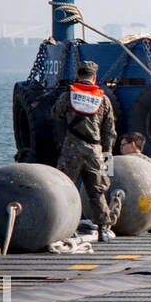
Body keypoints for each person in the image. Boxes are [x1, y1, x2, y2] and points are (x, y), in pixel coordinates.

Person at [51, 61, 117, 242]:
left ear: (78, 75)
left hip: (72, 148)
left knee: (67, 189)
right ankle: (104, 229)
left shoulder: (68, 96)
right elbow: (110, 131)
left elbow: (55, 114)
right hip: (94, 150)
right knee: (97, 191)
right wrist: (107, 156)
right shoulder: (103, 99)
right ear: (94, 77)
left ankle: (67, 228)